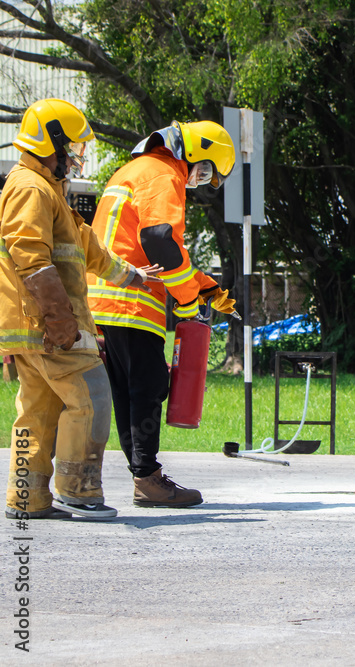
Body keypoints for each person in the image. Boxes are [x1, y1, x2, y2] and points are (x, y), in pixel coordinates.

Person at [1, 99, 159, 519]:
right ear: (51, 140)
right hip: (49, 327)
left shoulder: (46, 190)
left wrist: (133, 276)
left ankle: (27, 499)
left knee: (37, 412)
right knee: (92, 397)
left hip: (33, 330)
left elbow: (84, 248)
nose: (76, 157)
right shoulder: (30, 189)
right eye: (72, 147)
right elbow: (30, 258)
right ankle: (79, 489)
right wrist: (58, 320)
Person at [87, 120, 237, 508]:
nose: (197, 180)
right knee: (148, 387)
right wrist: (188, 299)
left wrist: (205, 287)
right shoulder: (163, 173)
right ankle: (148, 479)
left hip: (102, 302)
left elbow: (148, 244)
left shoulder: (131, 170)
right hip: (131, 303)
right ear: (191, 154)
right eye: (204, 171)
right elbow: (160, 241)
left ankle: (142, 475)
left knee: (127, 392)